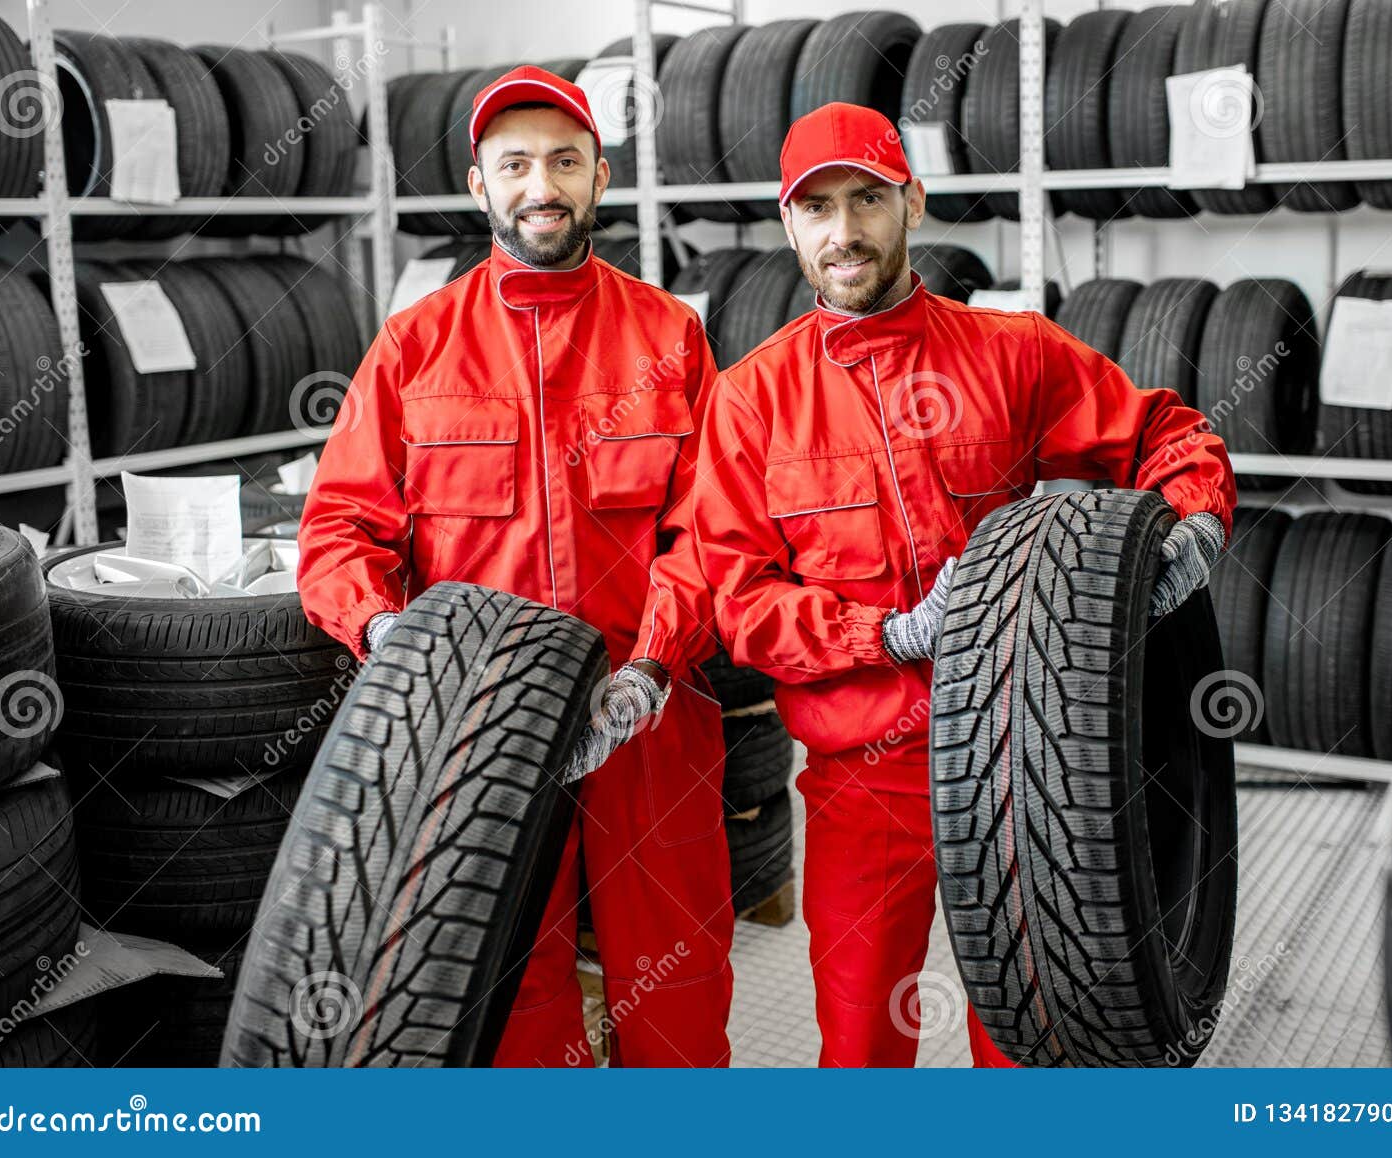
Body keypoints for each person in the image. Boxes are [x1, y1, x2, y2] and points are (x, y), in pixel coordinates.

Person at [690, 102, 1237, 1067]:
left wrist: (1193, 527)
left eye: (868, 199)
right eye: (817, 208)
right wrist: (891, 635)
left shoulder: (1011, 352)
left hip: (1030, 756)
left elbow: (1168, 434)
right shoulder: (751, 400)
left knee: (1032, 1036)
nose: (845, 231)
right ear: (789, 224)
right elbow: (740, 604)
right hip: (866, 780)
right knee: (862, 1044)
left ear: (913, 202)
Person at [296, 66, 733, 1067]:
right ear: (478, 185)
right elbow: (338, 531)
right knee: (504, 985)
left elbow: (710, 531)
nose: (543, 184)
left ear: (600, 178)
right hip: (476, 724)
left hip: (647, 715)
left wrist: (652, 669)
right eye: (516, 164)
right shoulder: (415, 346)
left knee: (676, 975)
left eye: (565, 162)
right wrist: (390, 637)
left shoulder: (668, 336)